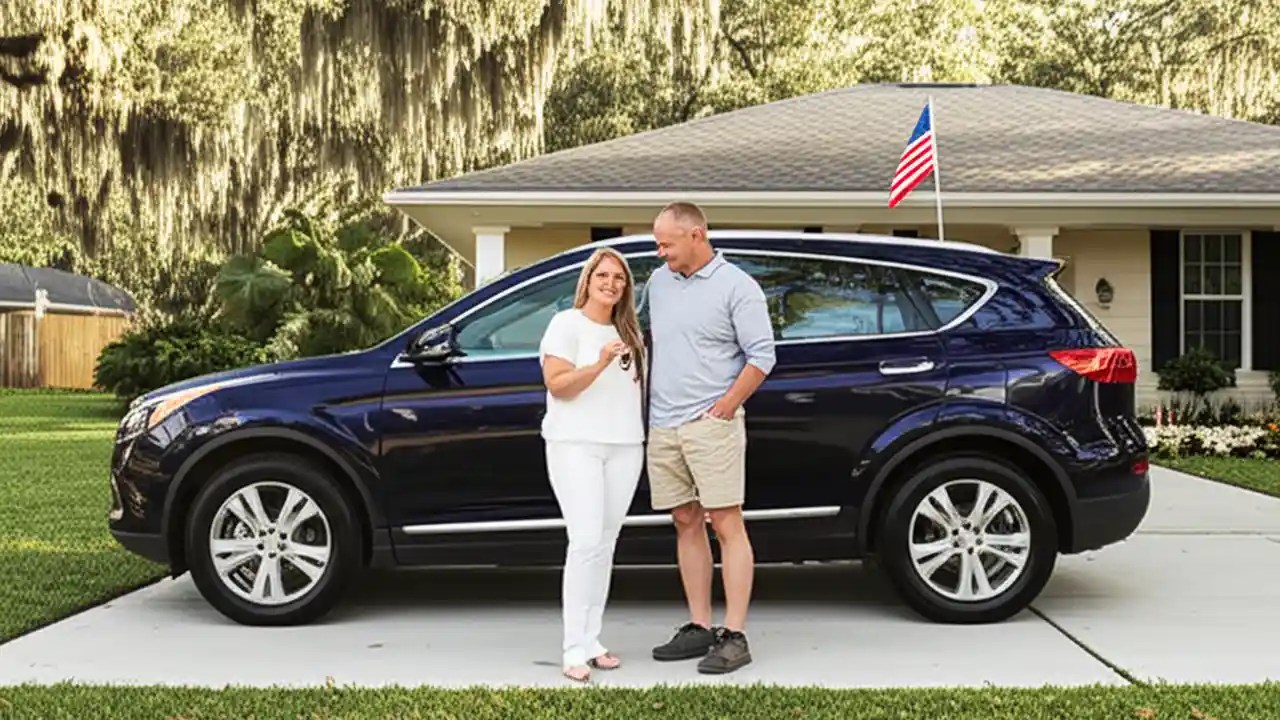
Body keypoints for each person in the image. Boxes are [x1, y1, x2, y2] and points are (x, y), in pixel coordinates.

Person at [644, 201, 776, 674]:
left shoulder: (737, 287)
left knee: (726, 523)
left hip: (710, 425)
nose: (659, 253)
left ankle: (734, 634)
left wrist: (725, 407)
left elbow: (762, 355)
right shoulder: (659, 283)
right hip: (664, 425)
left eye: (666, 243)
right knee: (685, 519)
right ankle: (699, 625)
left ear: (696, 235)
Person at [538, 247, 648, 683]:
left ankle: (592, 640)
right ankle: (571, 648)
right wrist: (600, 362)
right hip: (576, 445)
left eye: (619, 278)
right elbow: (559, 386)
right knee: (584, 541)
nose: (611, 283)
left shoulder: (631, 333)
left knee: (605, 543)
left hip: (625, 445)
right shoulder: (566, 325)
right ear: (587, 281)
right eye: (603, 275)